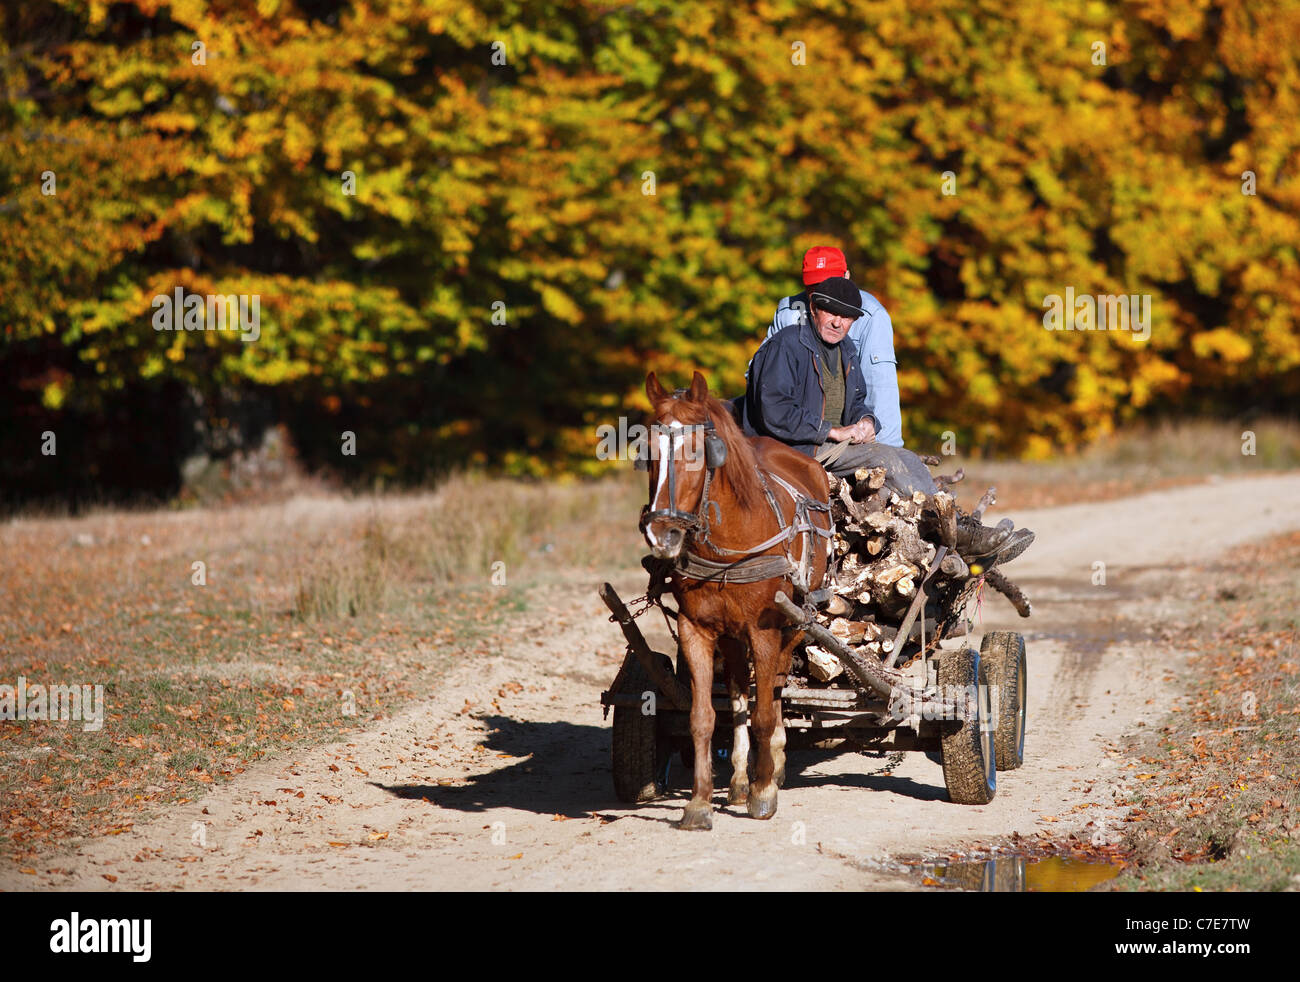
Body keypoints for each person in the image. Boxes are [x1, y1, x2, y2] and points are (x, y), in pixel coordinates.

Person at [743, 276, 1032, 562]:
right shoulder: (786, 345)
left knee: (904, 458)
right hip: (791, 449)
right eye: (831, 312)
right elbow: (774, 410)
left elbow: (857, 402)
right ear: (814, 309)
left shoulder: (845, 350)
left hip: (827, 445)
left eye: (846, 317)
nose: (837, 322)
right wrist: (832, 432)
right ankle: (961, 534)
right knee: (887, 459)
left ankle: (956, 529)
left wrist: (867, 421)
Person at [765, 246, 903, 447]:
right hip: (795, 435)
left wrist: (886, 451)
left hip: (846, 436)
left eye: (829, 282)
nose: (823, 291)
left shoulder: (872, 316)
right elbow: (761, 379)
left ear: (847, 276)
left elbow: (879, 390)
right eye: (814, 284)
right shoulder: (788, 311)